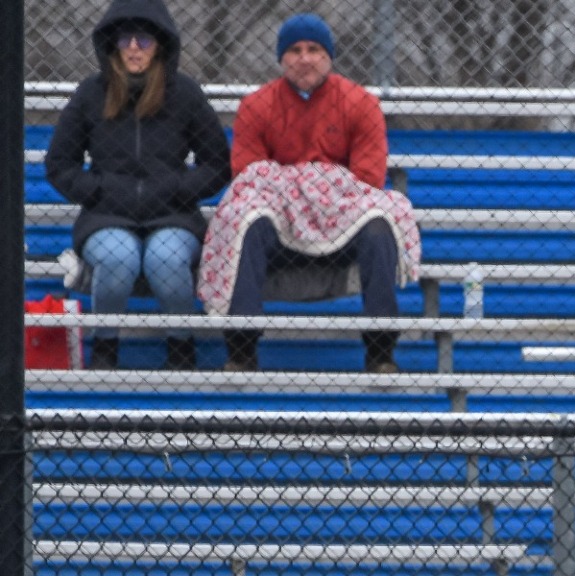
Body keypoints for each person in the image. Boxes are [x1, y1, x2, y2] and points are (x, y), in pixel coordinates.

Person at [198, 13, 419, 373]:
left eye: (314, 49)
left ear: (328, 56)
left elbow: (368, 176)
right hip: (279, 222)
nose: (304, 58)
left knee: (380, 225)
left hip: (343, 219)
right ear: (282, 58)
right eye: (295, 50)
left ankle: (381, 352)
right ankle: (241, 349)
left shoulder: (360, 103)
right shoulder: (257, 106)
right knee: (244, 219)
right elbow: (247, 175)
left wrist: (298, 183)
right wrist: (315, 182)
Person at [44, 0, 231, 371]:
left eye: (143, 40)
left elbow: (217, 163)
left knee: (166, 260)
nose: (133, 48)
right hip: (106, 215)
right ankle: (105, 347)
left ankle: (181, 348)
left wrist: (179, 188)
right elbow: (59, 164)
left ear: (159, 44)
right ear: (113, 43)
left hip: (173, 214)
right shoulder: (90, 93)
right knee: (118, 258)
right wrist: (97, 190)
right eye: (126, 39)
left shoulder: (185, 94)